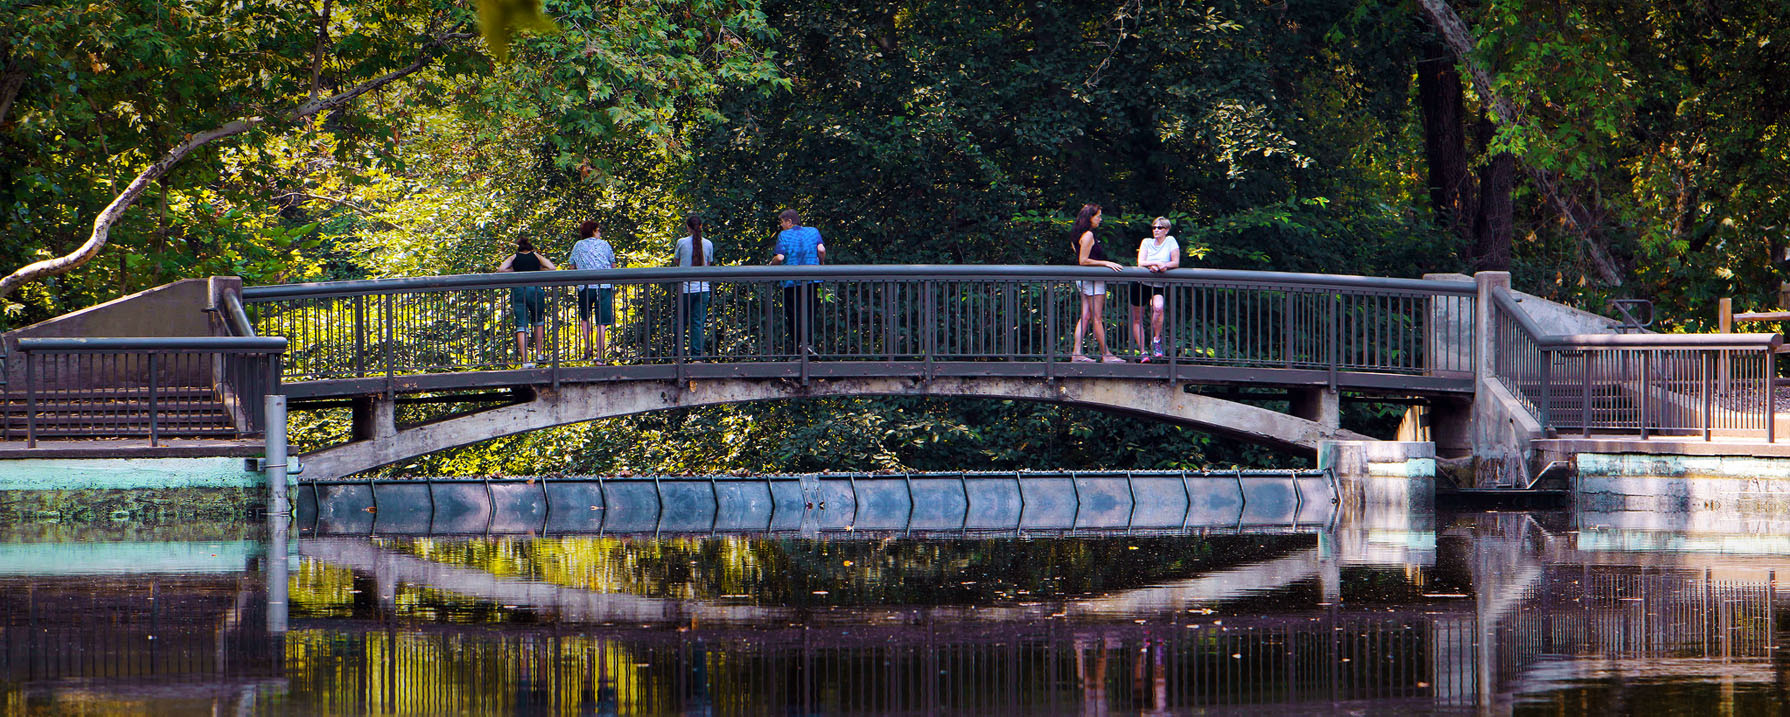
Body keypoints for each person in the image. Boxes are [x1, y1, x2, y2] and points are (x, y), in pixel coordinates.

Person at [1069, 203, 1124, 363]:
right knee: (1097, 318)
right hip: (1092, 280)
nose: (1100, 219)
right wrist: (1105, 263)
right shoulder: (1088, 235)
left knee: (1085, 316)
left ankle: (1077, 353)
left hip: (1084, 279)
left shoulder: (1076, 234)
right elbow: (1083, 260)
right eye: (1098, 216)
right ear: (1090, 217)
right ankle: (1106, 355)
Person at [770, 208, 825, 355]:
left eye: (782, 222)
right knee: (810, 312)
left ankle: (798, 348)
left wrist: (770, 267)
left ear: (789, 221)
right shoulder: (813, 231)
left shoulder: (784, 235)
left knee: (794, 313)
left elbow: (780, 257)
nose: (781, 225)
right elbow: (821, 249)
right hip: (812, 278)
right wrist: (821, 265)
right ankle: (809, 345)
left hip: (791, 282)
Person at [497, 236, 556, 367]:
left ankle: (525, 361)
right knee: (538, 320)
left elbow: (501, 269)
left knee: (521, 325)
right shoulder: (535, 256)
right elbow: (552, 268)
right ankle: (539, 354)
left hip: (518, 291)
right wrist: (539, 268)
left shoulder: (514, 257)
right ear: (531, 248)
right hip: (534, 290)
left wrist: (513, 270)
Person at [1129, 217, 1180, 362]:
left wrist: (1165, 266)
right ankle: (1143, 352)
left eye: (1160, 228)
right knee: (1138, 318)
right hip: (1141, 283)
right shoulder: (1146, 242)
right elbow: (1141, 262)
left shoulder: (1170, 241)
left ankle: (1156, 340)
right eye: (1154, 227)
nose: (1156, 230)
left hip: (1158, 284)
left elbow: (1175, 262)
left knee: (1158, 308)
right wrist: (1155, 263)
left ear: (1167, 230)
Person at [566, 221, 615, 361]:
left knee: (584, 317)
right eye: (598, 230)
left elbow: (572, 266)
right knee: (602, 322)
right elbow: (613, 264)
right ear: (594, 230)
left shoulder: (578, 245)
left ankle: (588, 346)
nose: (600, 233)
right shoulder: (605, 244)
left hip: (585, 286)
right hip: (603, 286)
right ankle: (600, 357)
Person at [675, 213, 715, 359]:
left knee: (681, 321)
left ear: (687, 227)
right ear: (701, 227)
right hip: (703, 288)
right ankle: (697, 355)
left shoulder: (681, 242)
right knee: (698, 322)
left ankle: (677, 353)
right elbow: (708, 264)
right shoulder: (709, 244)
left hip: (685, 288)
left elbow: (677, 261)